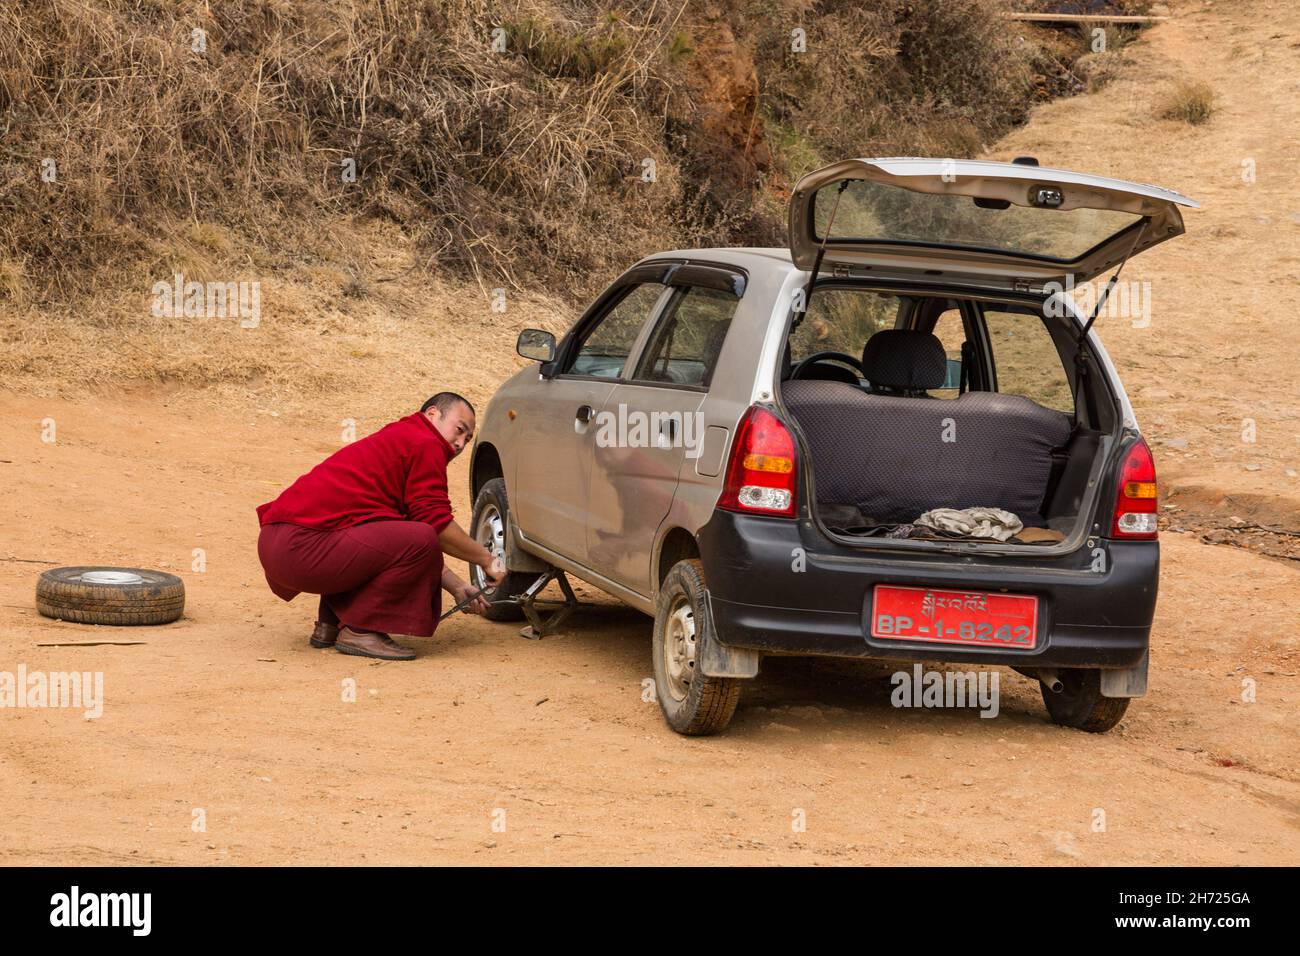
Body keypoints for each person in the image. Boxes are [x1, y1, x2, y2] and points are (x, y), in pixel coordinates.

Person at [255, 392, 505, 660]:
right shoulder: (425, 442)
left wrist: (456, 586)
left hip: (280, 544)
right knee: (421, 536)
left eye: (467, 440)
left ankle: (329, 625)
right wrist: (487, 559)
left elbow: (392, 544)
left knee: (387, 534)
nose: (459, 444)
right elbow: (433, 524)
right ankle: (360, 631)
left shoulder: (403, 437)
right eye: (459, 430)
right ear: (432, 414)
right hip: (302, 547)